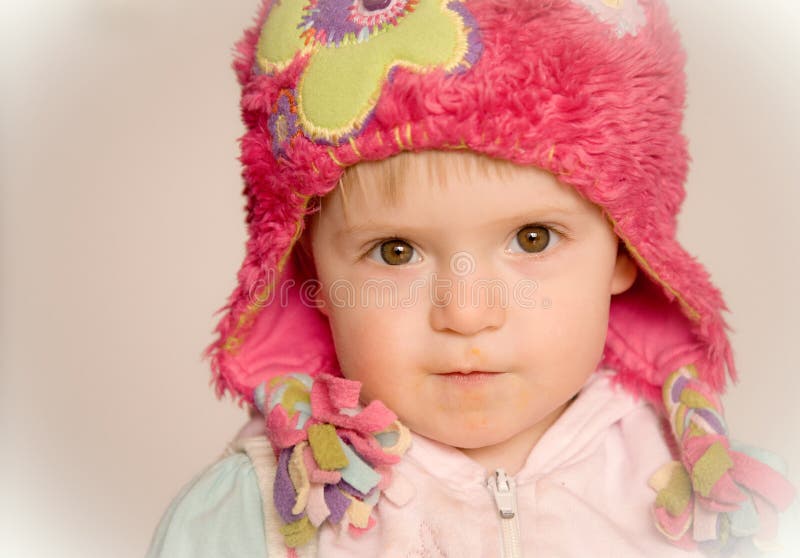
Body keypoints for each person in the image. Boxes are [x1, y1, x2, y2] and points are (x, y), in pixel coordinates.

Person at [147, 0, 796, 556]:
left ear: (628, 246)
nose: (466, 313)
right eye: (396, 251)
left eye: (532, 238)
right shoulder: (262, 511)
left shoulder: (717, 509)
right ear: (311, 266)